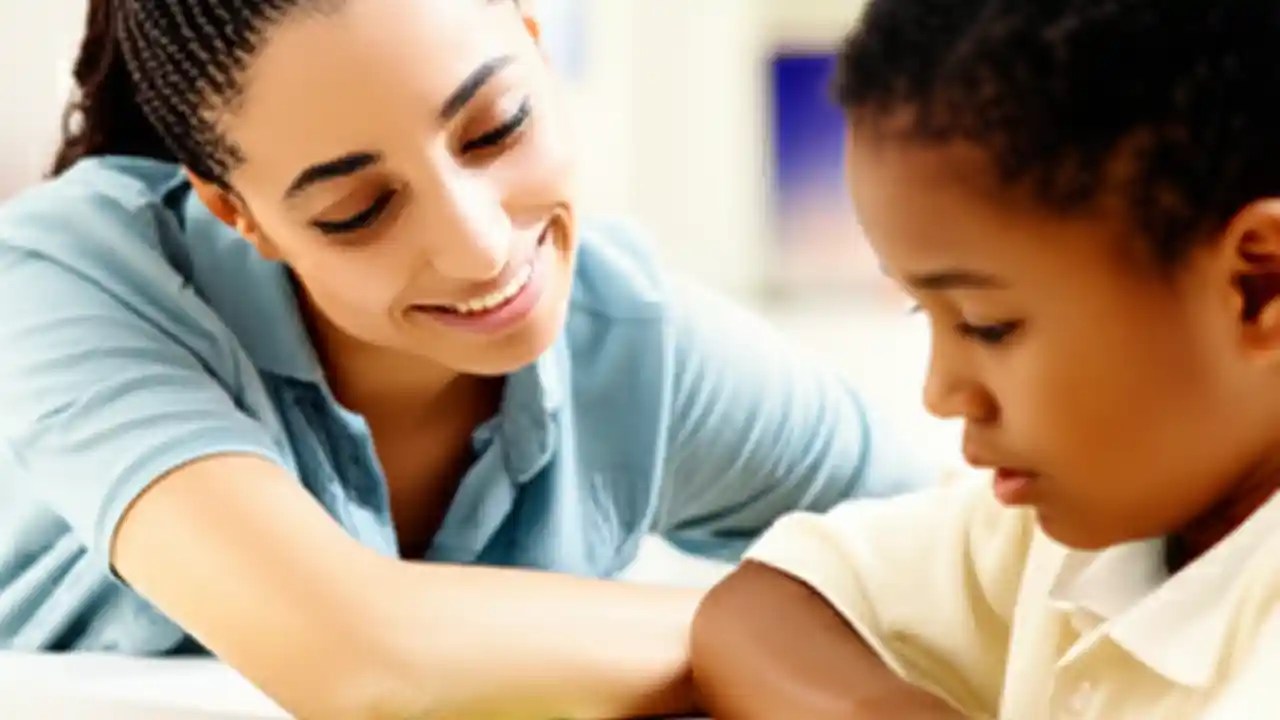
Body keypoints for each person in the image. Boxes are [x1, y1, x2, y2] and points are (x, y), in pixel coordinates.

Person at [0, 0, 938, 718]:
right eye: (358, 212)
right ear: (239, 215)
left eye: (497, 128)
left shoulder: (636, 344)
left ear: (534, 37)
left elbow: (963, 554)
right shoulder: (67, 282)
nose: (482, 250)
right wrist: (774, 631)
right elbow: (357, 654)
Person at [691, 1, 1280, 718]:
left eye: (988, 326)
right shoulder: (1083, 526)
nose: (940, 392)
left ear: (1258, 287)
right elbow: (778, 595)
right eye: (923, 312)